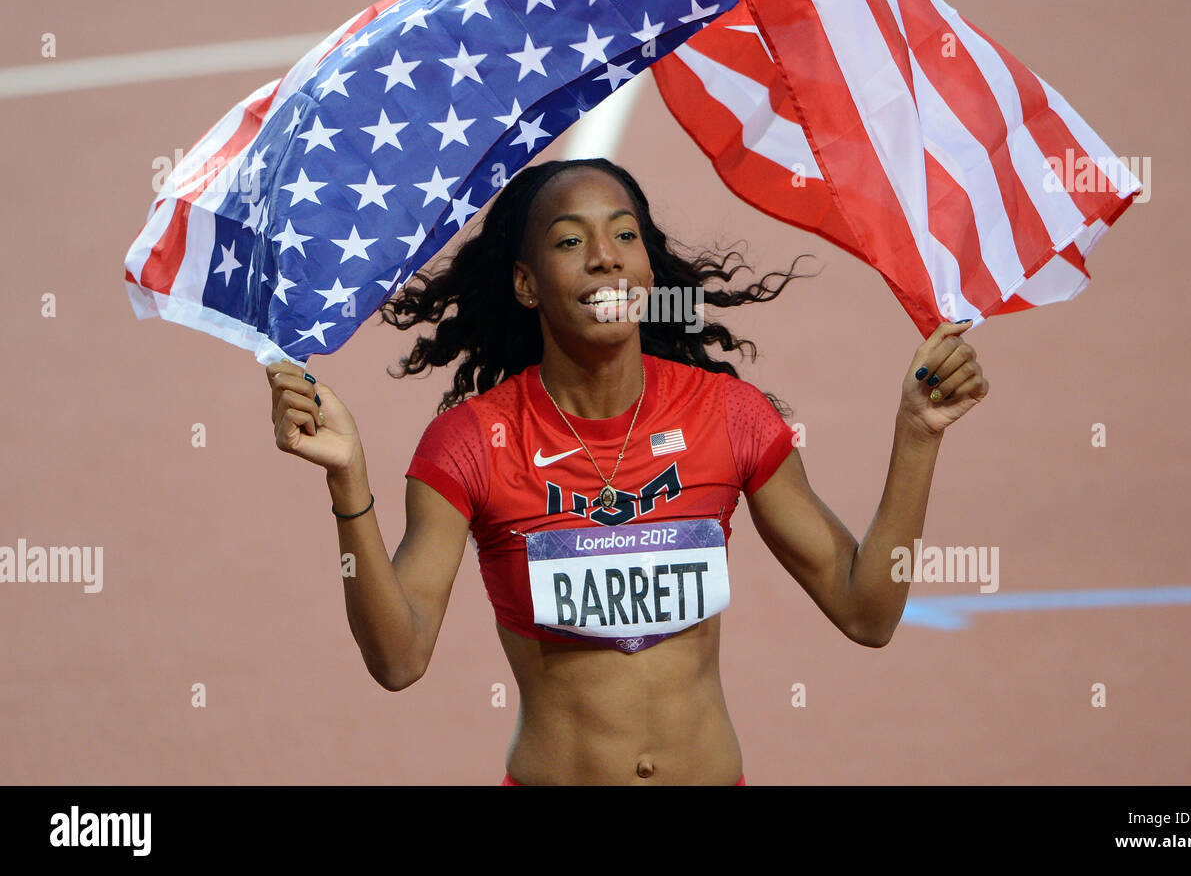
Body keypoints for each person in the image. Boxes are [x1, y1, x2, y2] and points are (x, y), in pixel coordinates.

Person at [265, 157, 989, 786]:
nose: (605, 256)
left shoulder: (729, 417)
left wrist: (917, 436)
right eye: (570, 241)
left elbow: (868, 611)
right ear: (526, 284)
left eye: (624, 234)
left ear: (647, 267)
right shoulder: (472, 443)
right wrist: (348, 484)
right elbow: (399, 659)